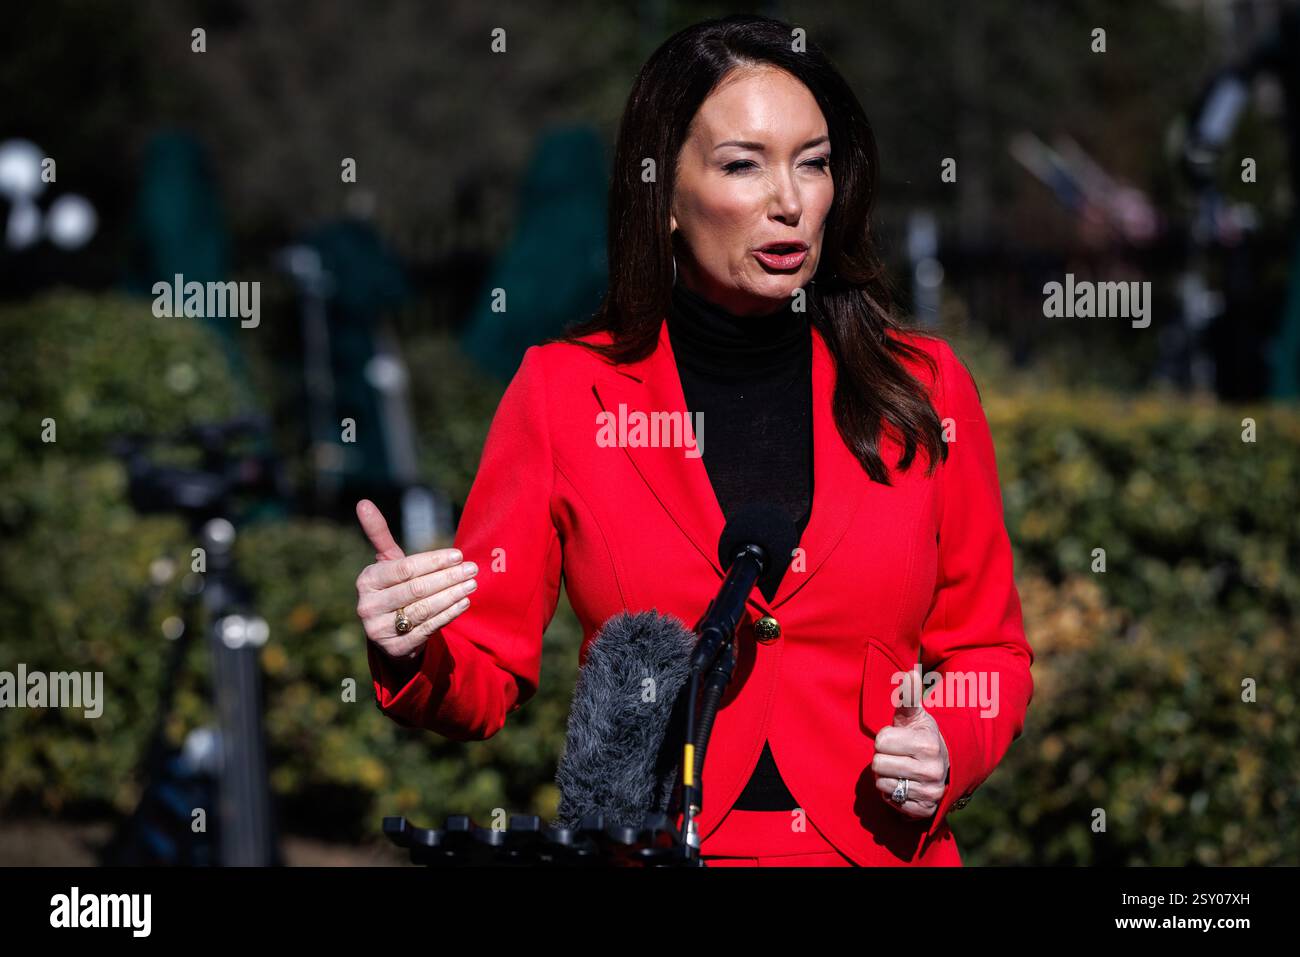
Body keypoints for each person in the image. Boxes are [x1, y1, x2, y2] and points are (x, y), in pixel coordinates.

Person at [354, 13, 1033, 866]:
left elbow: (989, 650)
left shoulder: (922, 387)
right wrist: (411, 641)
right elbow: (485, 673)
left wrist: (950, 742)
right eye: (743, 165)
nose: (789, 199)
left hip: (876, 847)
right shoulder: (563, 393)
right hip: (660, 848)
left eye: (813, 163)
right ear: (663, 194)